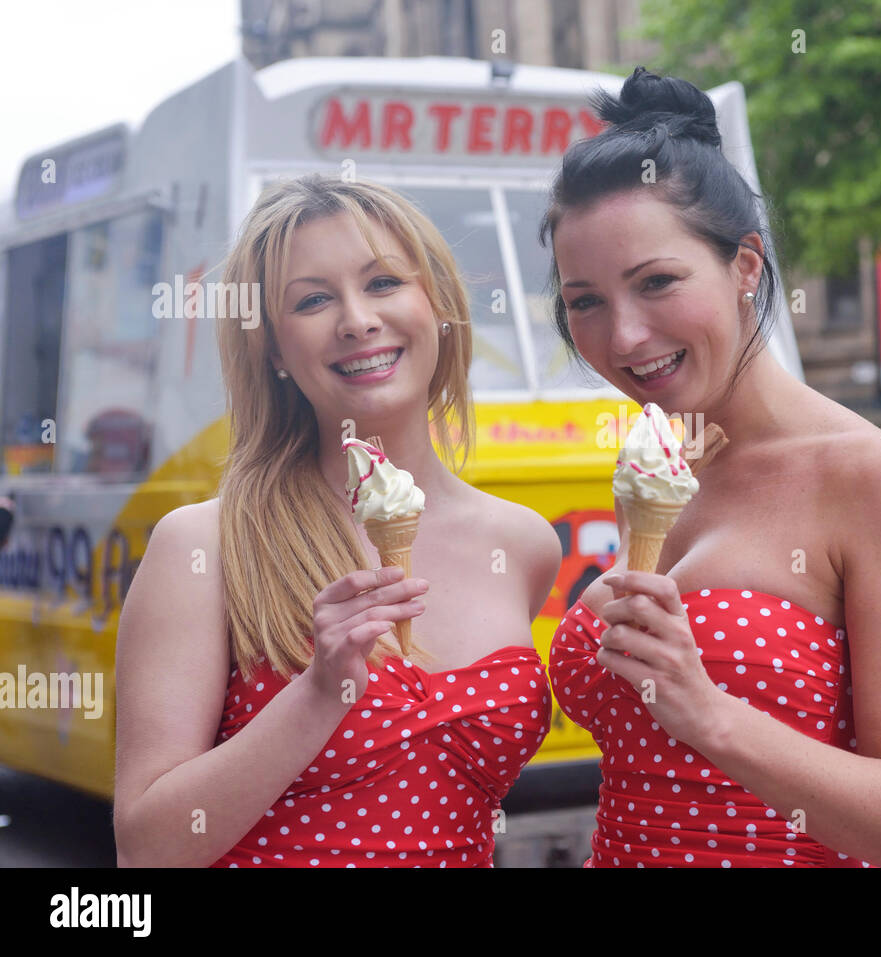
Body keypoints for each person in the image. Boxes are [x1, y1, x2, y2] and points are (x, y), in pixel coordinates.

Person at [541, 67, 881, 867]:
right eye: (584, 301)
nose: (623, 336)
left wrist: (710, 713)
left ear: (744, 265)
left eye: (657, 282)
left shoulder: (873, 478)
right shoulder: (660, 465)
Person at [112, 175, 561, 867]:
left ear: (438, 304)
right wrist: (319, 695)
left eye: (383, 283)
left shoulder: (524, 543)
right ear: (272, 349)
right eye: (314, 300)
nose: (356, 319)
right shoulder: (203, 546)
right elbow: (148, 849)